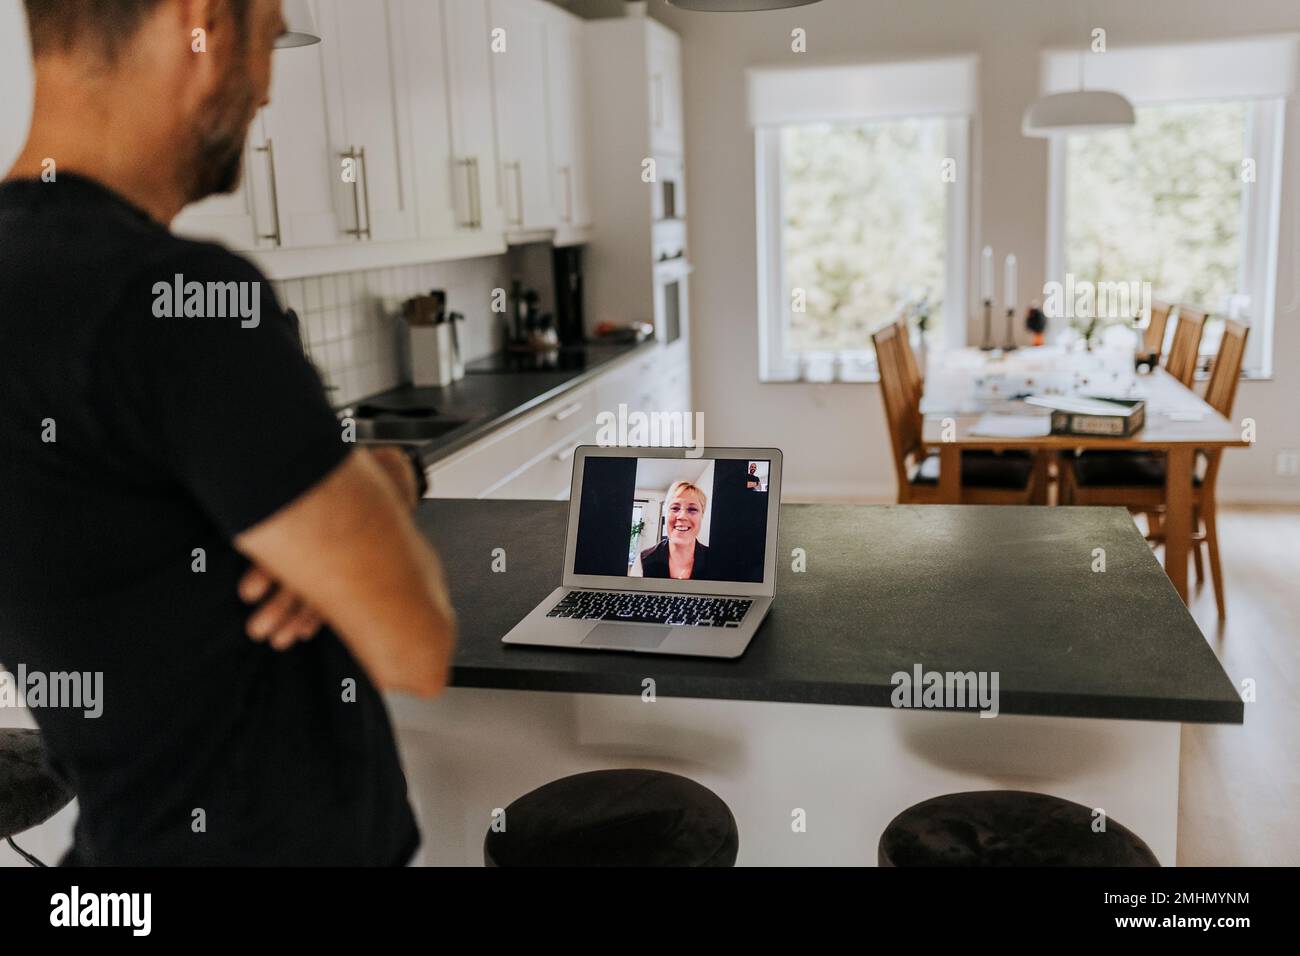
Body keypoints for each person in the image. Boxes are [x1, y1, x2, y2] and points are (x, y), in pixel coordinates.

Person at [0, 0, 456, 865]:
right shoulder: (179, 299)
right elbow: (413, 642)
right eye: (270, 36)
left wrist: (347, 516)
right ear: (203, 25)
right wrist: (382, 489)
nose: (269, 89)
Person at [639, 481, 713, 580]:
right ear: (665, 513)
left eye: (692, 509)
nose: (682, 516)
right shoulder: (642, 561)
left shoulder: (718, 561)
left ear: (702, 515)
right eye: (675, 508)